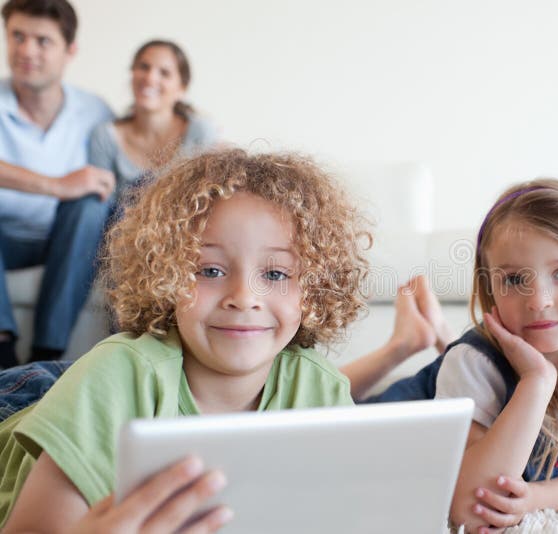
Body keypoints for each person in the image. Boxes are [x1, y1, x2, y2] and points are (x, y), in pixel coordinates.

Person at [0, 148, 371, 531]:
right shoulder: (116, 377)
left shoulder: (322, 389)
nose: (244, 297)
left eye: (275, 274)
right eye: (210, 270)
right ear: (166, 276)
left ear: (313, 290)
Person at [346, 179, 558, 533]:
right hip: (386, 424)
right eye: (513, 280)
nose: (538, 300)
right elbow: (471, 510)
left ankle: (434, 334)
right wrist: (537, 381)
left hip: (464, 377)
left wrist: (534, 498)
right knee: (318, 404)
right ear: (491, 290)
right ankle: (403, 343)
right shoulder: (473, 362)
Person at [0, 0, 115, 368]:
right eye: (18, 36)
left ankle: (46, 355)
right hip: (5, 238)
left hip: (65, 242)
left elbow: (123, 167)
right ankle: (3, 351)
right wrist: (56, 185)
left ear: (70, 50)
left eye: (42, 41)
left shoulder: (95, 111)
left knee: (92, 204)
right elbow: (62, 185)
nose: (26, 50)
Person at [89, 39, 218, 201]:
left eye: (164, 73)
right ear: (132, 74)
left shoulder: (200, 132)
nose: (150, 78)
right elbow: (99, 205)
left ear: (182, 88)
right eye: (144, 67)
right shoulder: (105, 136)